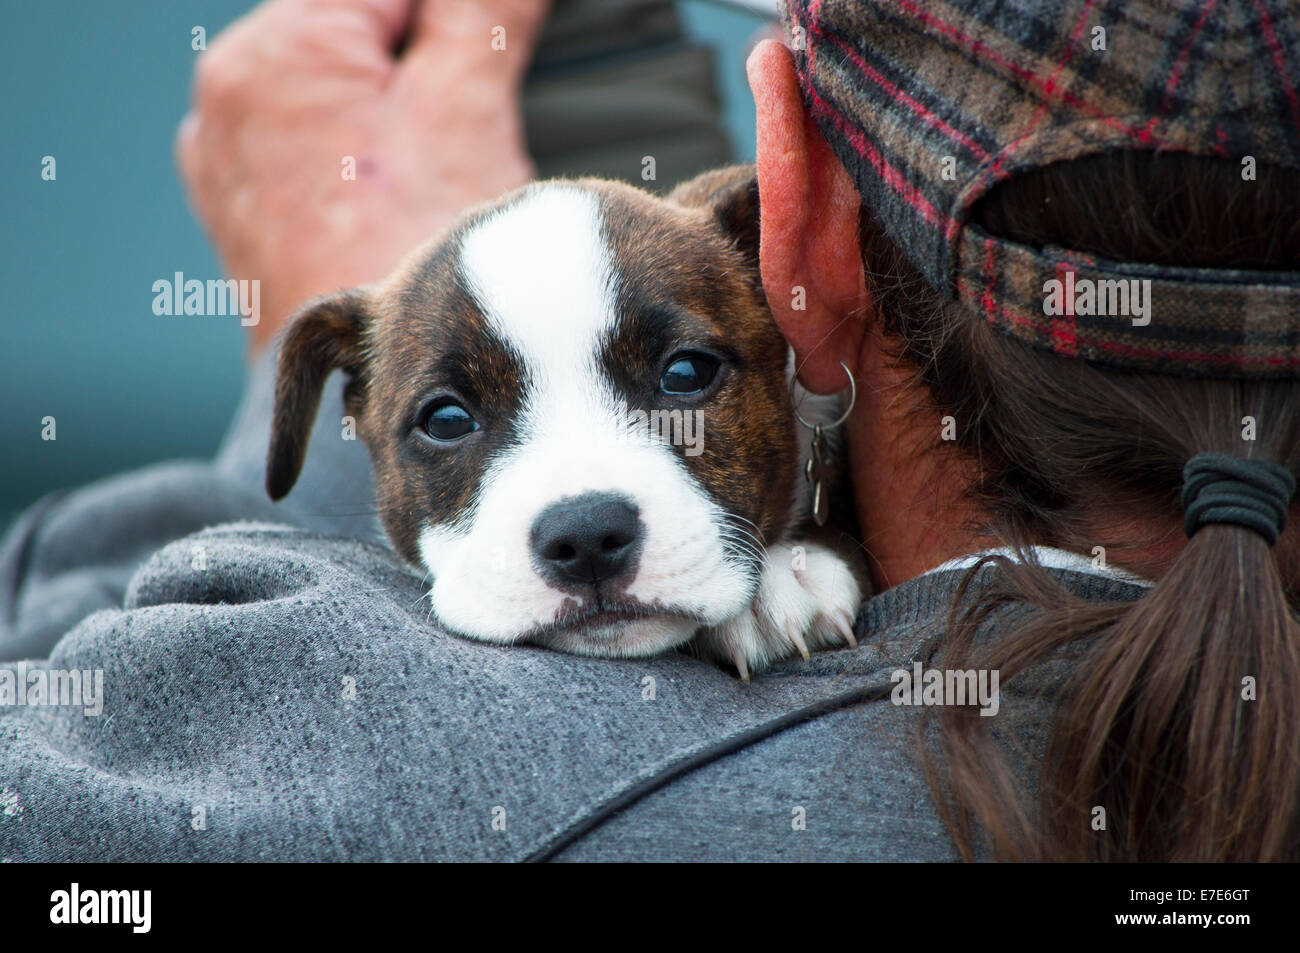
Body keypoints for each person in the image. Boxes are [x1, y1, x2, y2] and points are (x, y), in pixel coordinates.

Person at [1, 0, 1296, 862]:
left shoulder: (367, 762)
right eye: (449, 417)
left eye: (681, 371)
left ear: (791, 233)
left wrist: (328, 394)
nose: (579, 504)